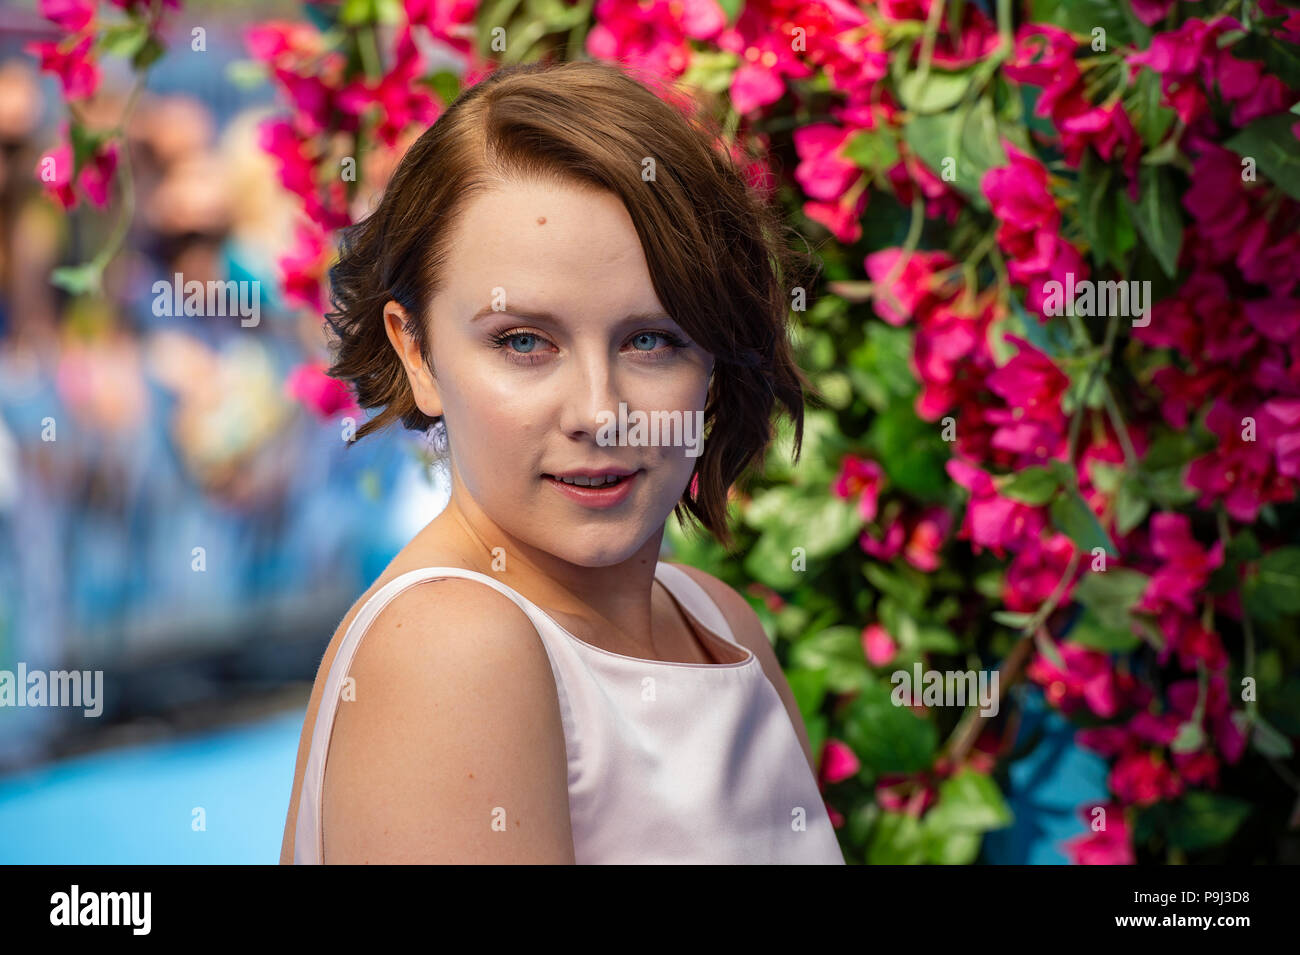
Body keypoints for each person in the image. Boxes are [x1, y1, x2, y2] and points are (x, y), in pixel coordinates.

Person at [279, 58, 845, 864]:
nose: (598, 411)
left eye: (651, 338)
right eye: (523, 342)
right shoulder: (451, 648)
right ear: (419, 354)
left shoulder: (716, 618)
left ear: (714, 352)